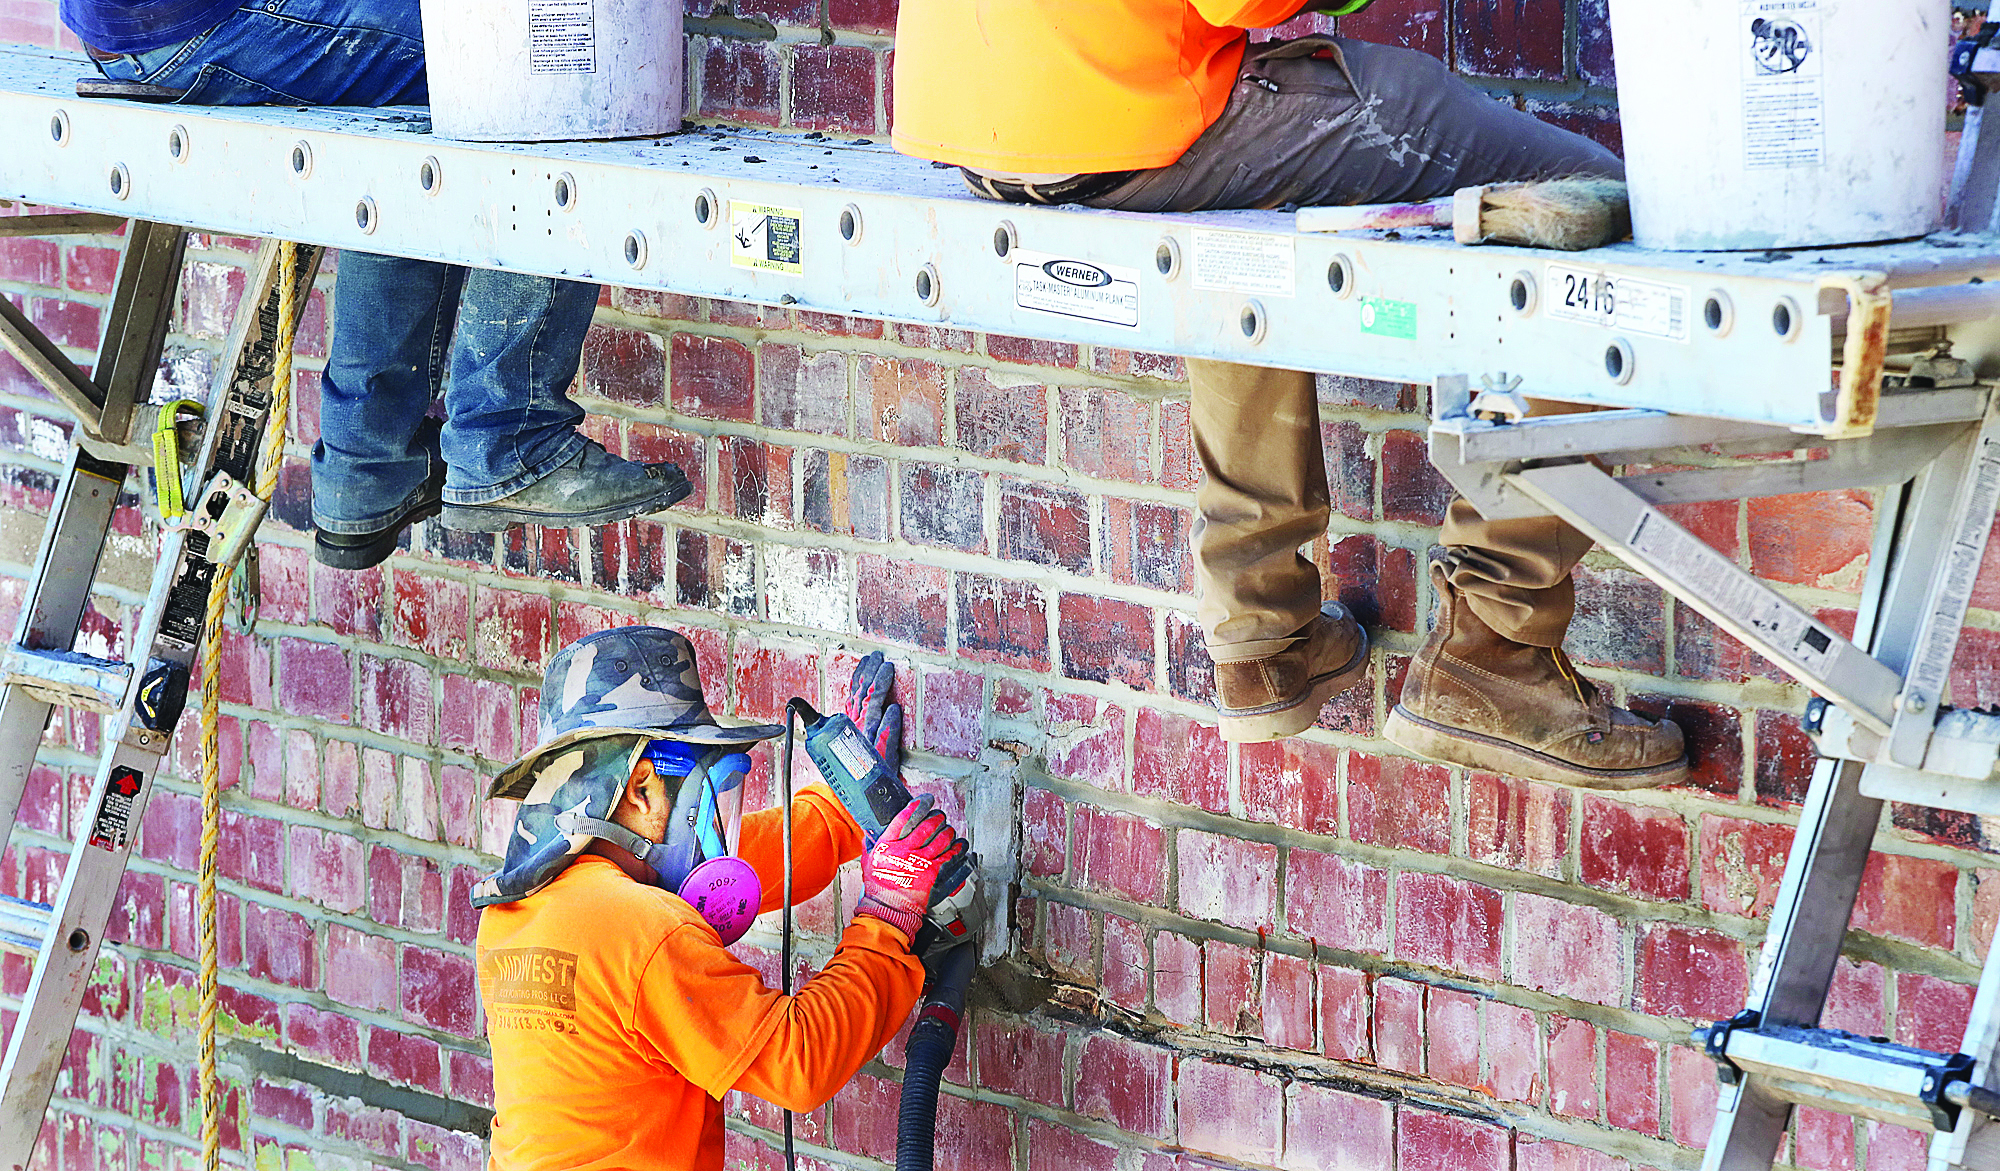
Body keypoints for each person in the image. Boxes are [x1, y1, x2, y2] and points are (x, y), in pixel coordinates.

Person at [891, 0, 1688, 789]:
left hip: (985, 125)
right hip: (1109, 116)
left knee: (1240, 221)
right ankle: (1495, 649)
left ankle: (1260, 631)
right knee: (1591, 196)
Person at [58, 0, 692, 569]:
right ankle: (506, 437)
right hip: (193, 28)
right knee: (529, 59)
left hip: (136, 33)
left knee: (439, 75)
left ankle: (368, 462)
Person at [472, 627, 965, 1171]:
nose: (714, 820)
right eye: (709, 789)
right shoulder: (645, 934)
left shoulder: (518, 911)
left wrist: (841, 811)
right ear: (640, 789)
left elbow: (718, 866)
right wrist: (890, 912)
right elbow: (798, 1062)